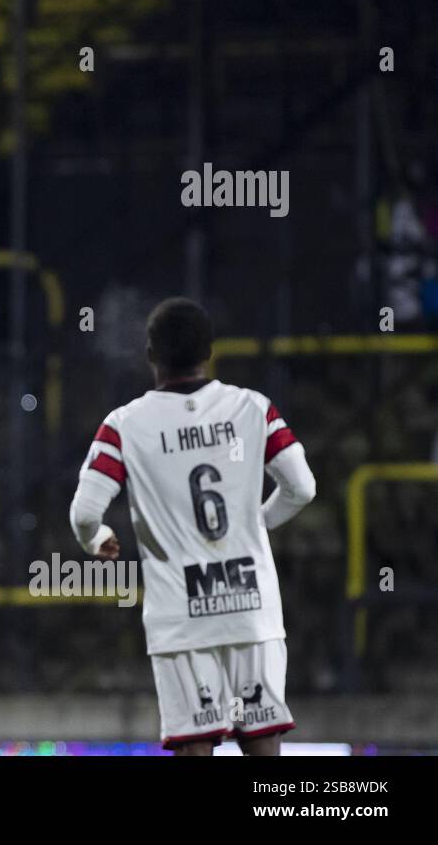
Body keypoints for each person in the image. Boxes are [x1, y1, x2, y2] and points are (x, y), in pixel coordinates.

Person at [68, 297, 316, 756]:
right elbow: (302, 488)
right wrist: (255, 524)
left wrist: (97, 538)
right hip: (249, 607)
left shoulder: (123, 426)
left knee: (194, 745)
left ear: (149, 355)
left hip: (182, 616)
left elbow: (85, 513)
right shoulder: (253, 408)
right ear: (209, 352)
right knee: (261, 743)